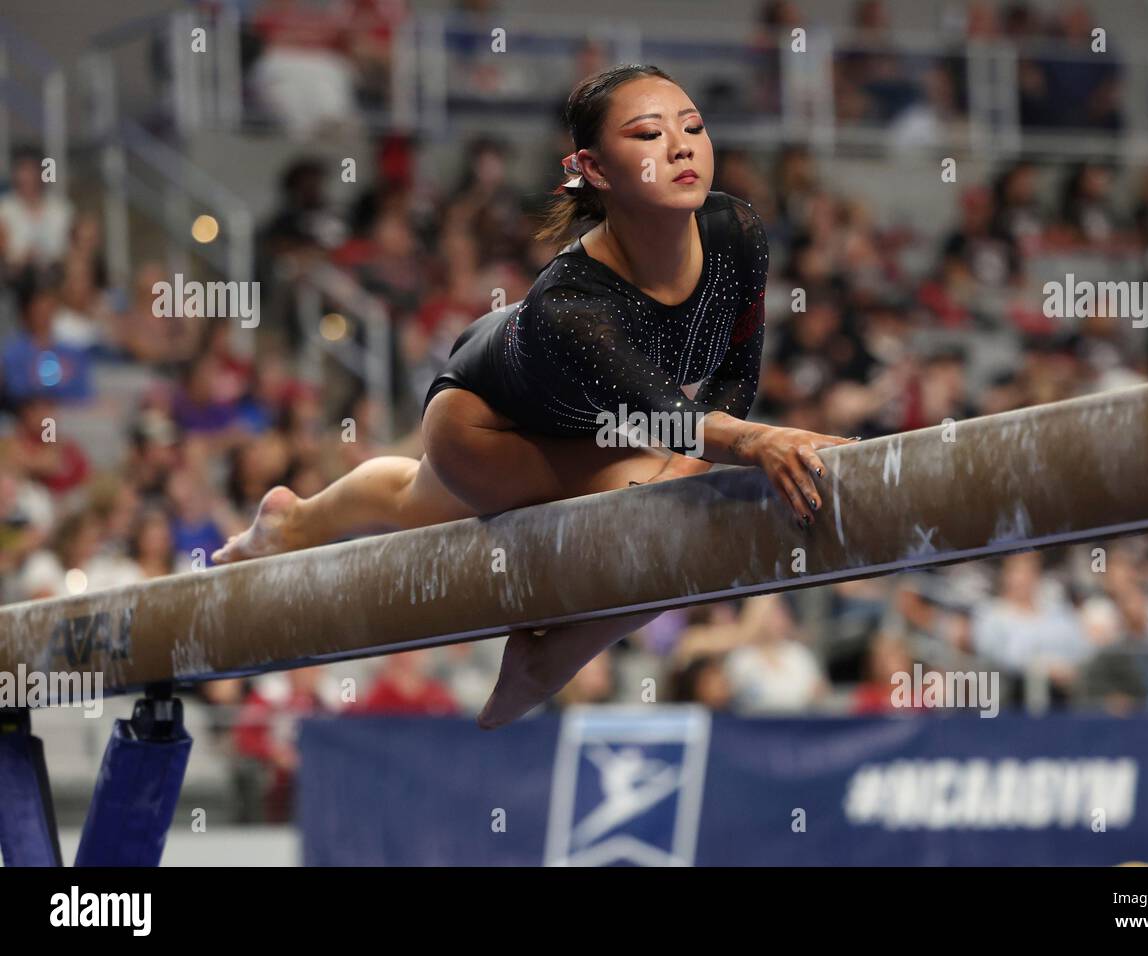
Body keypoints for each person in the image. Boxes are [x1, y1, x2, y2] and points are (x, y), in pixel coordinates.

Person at [213, 64, 853, 729]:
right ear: (594, 168)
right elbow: (662, 418)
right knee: (678, 519)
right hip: (485, 422)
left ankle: (292, 523)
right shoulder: (572, 302)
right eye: (647, 134)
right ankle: (549, 661)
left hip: (593, 425)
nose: (682, 145)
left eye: (693, 127)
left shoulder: (738, 234)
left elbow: (734, 381)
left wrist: (717, 452)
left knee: (424, 499)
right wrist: (746, 445)